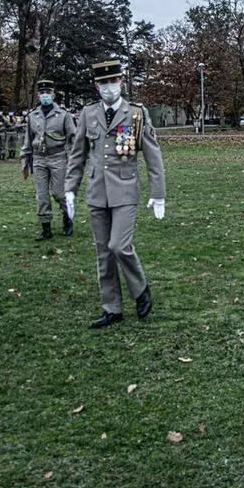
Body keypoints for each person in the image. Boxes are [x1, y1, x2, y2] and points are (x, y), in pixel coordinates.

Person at [64, 60, 165, 329]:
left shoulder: (136, 113)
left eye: (113, 81)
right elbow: (78, 155)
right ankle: (112, 308)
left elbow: (153, 155)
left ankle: (140, 288)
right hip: (97, 192)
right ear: (96, 85)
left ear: (122, 82)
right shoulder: (88, 113)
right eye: (103, 83)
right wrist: (70, 190)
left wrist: (159, 193)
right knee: (103, 253)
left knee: (118, 246)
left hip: (125, 191)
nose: (108, 87)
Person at [21, 81, 78, 240]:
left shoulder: (64, 114)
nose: (45, 95)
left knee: (59, 193)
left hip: (58, 158)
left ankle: (67, 219)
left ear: (53, 95)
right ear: (38, 95)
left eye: (48, 92)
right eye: (42, 93)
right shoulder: (33, 115)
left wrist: (75, 160)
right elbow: (28, 139)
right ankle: (46, 228)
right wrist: (25, 161)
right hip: (39, 159)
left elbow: (73, 137)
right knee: (42, 195)